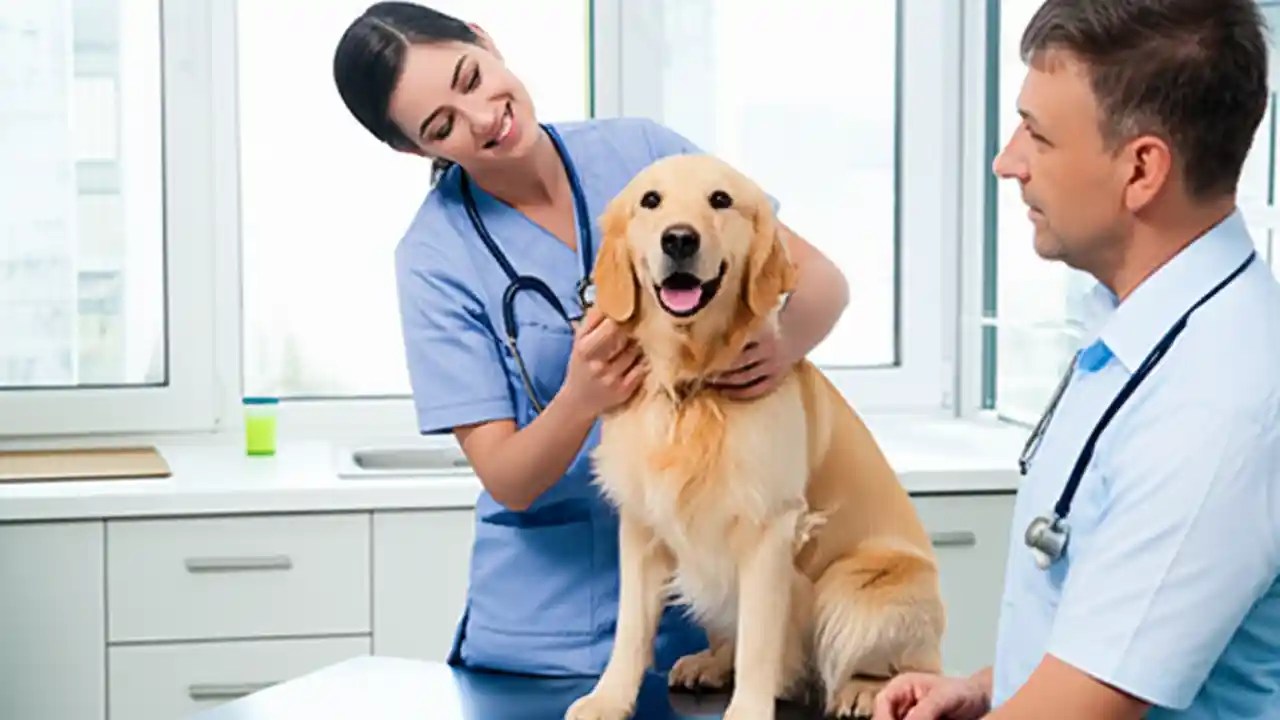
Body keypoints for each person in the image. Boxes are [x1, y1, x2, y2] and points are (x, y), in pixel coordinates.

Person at [331, 2, 851, 678]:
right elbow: (508, 479)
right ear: (414, 150)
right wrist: (580, 398)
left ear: (486, 41)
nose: (482, 118)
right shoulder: (435, 257)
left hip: (709, 619)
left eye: (470, 77)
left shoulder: (642, 157)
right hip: (547, 635)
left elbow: (821, 283)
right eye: (442, 125)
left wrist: (783, 343)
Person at [875, 1, 1280, 719]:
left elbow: (1085, 708)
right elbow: (1122, 617)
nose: (1008, 162)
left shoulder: (1220, 403)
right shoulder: (1143, 328)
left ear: (1142, 170)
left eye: (1037, 135)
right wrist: (989, 686)